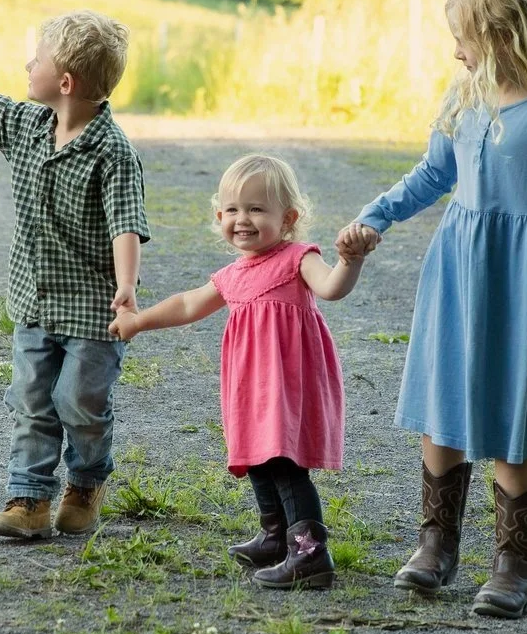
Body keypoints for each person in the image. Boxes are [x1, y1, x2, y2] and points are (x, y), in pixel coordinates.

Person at [336, 0, 527, 621]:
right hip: (457, 272)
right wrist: (375, 215)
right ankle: (436, 544)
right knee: (445, 400)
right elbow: (432, 174)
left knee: (514, 411)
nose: (454, 49)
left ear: (501, 33)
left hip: (525, 281)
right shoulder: (461, 100)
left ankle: (514, 564)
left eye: (463, 36)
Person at [0, 11, 148, 542]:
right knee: (32, 401)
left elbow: (126, 225)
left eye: (36, 58)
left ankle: (85, 483)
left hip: (91, 312)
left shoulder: (112, 152)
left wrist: (126, 288)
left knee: (78, 404)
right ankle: (29, 499)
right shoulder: (25, 125)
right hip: (34, 306)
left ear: (64, 82)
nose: (26, 63)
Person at [112, 154, 362, 590]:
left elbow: (332, 287)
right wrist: (138, 320)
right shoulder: (233, 274)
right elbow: (189, 304)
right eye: (232, 209)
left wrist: (350, 261)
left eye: (256, 209)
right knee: (258, 457)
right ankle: (274, 536)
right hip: (251, 385)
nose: (242, 219)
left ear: (288, 218)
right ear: (218, 215)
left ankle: (310, 555)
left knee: (283, 462)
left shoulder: (298, 259)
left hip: (287, 382)